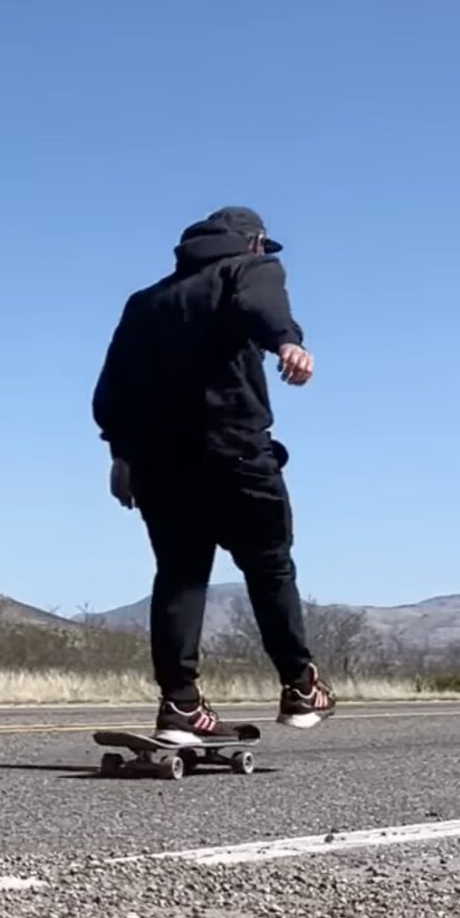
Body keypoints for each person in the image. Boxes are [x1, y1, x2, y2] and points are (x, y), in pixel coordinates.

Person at [91, 206, 336, 743]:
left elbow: (115, 387)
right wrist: (287, 341)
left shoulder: (145, 302)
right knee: (270, 568)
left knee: (179, 577)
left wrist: (121, 457)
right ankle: (300, 686)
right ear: (254, 243)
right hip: (235, 455)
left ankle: (180, 705)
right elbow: (261, 303)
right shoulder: (246, 268)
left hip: (159, 465)